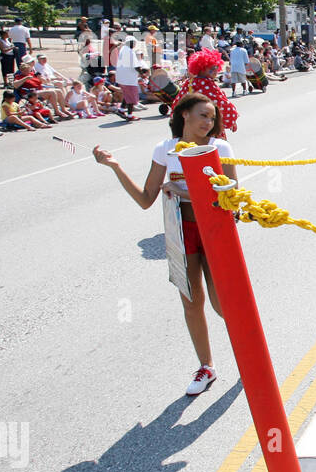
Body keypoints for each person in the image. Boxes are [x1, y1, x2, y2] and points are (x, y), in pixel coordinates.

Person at [93, 92, 237, 396]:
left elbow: (231, 200)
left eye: (212, 118)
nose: (209, 122)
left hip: (215, 230)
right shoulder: (165, 149)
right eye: (203, 115)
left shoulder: (220, 147)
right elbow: (146, 199)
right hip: (180, 231)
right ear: (184, 114)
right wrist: (115, 167)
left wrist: (180, 190)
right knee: (191, 301)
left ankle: (249, 354)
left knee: (223, 304)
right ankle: (206, 367)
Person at [113, 35, 142, 119]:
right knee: (131, 96)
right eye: (134, 43)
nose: (135, 45)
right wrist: (142, 74)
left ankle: (121, 110)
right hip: (128, 79)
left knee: (127, 95)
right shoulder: (130, 51)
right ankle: (130, 115)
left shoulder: (123, 49)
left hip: (122, 78)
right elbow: (136, 66)